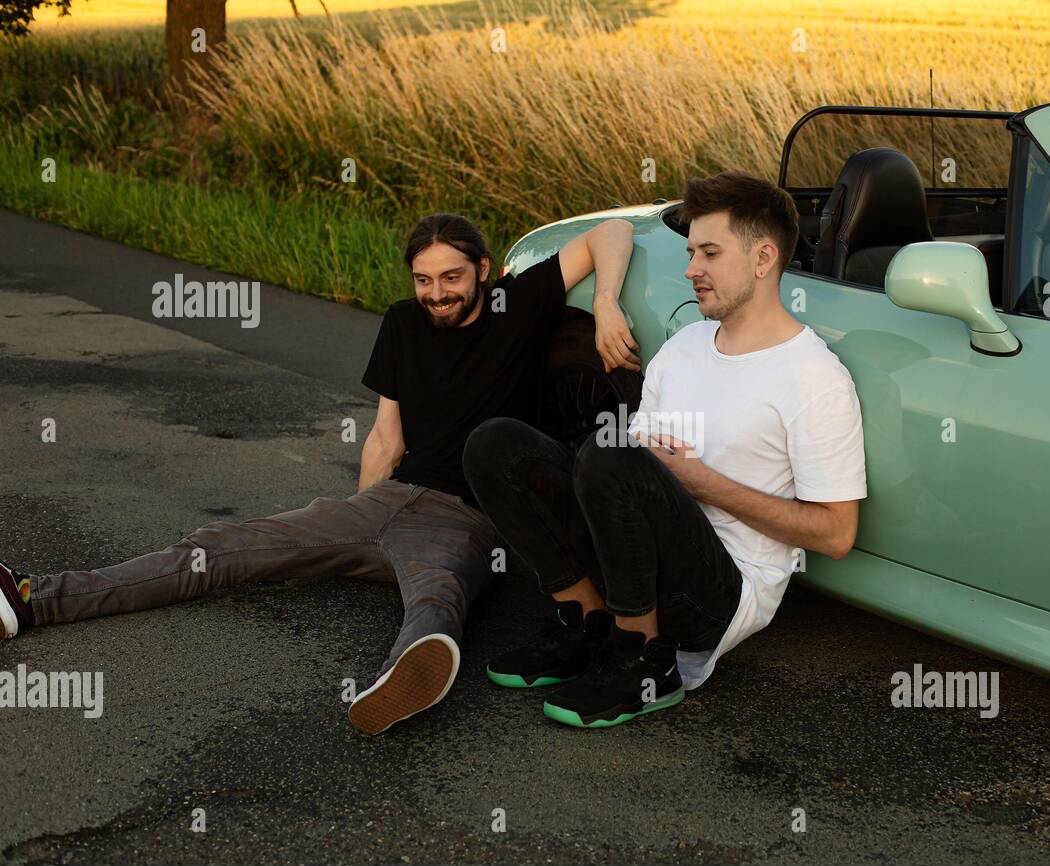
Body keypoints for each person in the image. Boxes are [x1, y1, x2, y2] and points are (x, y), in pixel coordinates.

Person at [0, 212, 639, 736]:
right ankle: (30, 601)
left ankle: (404, 680)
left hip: (471, 514)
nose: (438, 293)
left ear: (481, 269)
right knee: (218, 549)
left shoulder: (516, 304)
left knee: (437, 593)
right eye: (423, 279)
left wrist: (606, 302)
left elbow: (610, 230)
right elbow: (387, 433)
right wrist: (360, 526)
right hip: (387, 499)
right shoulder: (401, 323)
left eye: (451, 276)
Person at [461, 170, 868, 728]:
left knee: (610, 457)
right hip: (639, 556)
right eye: (690, 251)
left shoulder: (812, 377)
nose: (691, 269)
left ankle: (643, 666)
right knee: (496, 444)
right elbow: (637, 468)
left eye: (709, 253)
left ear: (763, 258)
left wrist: (703, 483)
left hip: (716, 593)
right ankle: (586, 623)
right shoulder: (686, 346)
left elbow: (836, 533)